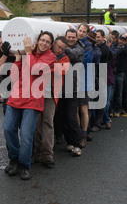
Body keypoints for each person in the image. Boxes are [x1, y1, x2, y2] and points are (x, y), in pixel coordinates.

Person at [3, 32, 56, 180]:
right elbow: (14, 75)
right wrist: (19, 59)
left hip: (32, 100)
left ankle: (24, 165)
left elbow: (35, 69)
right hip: (16, 96)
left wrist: (27, 53)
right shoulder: (28, 52)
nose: (44, 43)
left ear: (51, 45)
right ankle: (14, 159)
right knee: (8, 129)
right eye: (42, 40)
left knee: (26, 136)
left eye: (47, 42)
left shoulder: (51, 57)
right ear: (37, 41)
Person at [33, 36, 70, 168]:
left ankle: (47, 154)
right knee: (37, 123)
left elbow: (63, 70)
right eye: (58, 46)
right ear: (53, 44)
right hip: (37, 93)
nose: (60, 50)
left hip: (51, 95)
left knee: (48, 123)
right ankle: (36, 152)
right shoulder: (40, 53)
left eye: (62, 48)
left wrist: (47, 65)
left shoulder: (64, 58)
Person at [54, 28, 84, 157]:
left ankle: (77, 143)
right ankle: (70, 142)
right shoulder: (61, 50)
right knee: (61, 117)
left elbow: (71, 55)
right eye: (69, 37)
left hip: (72, 89)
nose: (71, 39)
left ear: (76, 38)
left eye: (73, 37)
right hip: (60, 89)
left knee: (72, 118)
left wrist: (59, 45)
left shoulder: (79, 49)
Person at [77, 23, 93, 146]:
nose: (81, 33)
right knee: (75, 109)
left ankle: (84, 134)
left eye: (83, 31)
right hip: (74, 82)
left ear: (87, 34)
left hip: (83, 82)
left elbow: (85, 61)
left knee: (83, 109)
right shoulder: (74, 43)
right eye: (79, 30)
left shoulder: (87, 46)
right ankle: (78, 133)